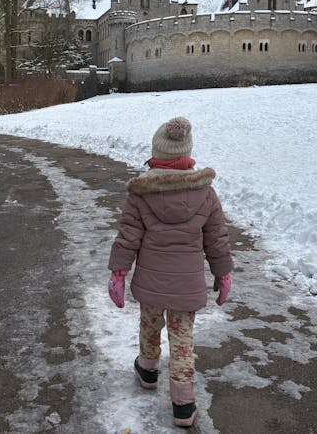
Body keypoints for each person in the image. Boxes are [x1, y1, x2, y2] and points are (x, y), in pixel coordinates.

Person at [108, 117, 233, 428]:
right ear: (186, 156)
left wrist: (119, 273)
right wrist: (223, 273)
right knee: (182, 339)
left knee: (150, 326)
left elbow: (128, 236)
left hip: (151, 281)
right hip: (187, 285)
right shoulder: (205, 193)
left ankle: (148, 371)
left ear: (157, 155)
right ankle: (183, 403)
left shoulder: (141, 193)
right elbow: (216, 239)